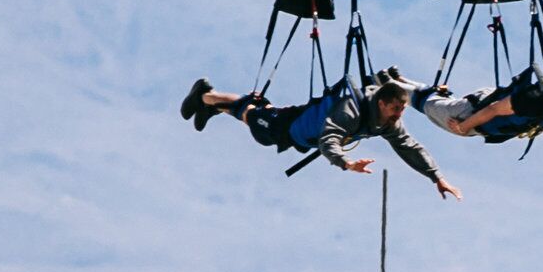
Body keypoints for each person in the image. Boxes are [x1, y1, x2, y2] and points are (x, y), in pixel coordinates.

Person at [179, 72, 463, 197]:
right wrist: (346, 163)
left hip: (299, 133)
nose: (399, 114)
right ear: (381, 103)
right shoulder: (350, 112)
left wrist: (436, 177)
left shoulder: (389, 121)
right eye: (395, 108)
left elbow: (408, 146)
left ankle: (213, 108)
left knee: (256, 119)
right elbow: (329, 139)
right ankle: (206, 96)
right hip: (294, 125)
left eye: (402, 109)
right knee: (255, 118)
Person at [419, 62, 543, 146]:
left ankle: (399, 82)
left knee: (432, 105)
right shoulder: (534, 100)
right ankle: (397, 85)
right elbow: (494, 109)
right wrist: (463, 126)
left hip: (487, 122)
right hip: (479, 110)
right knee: (427, 106)